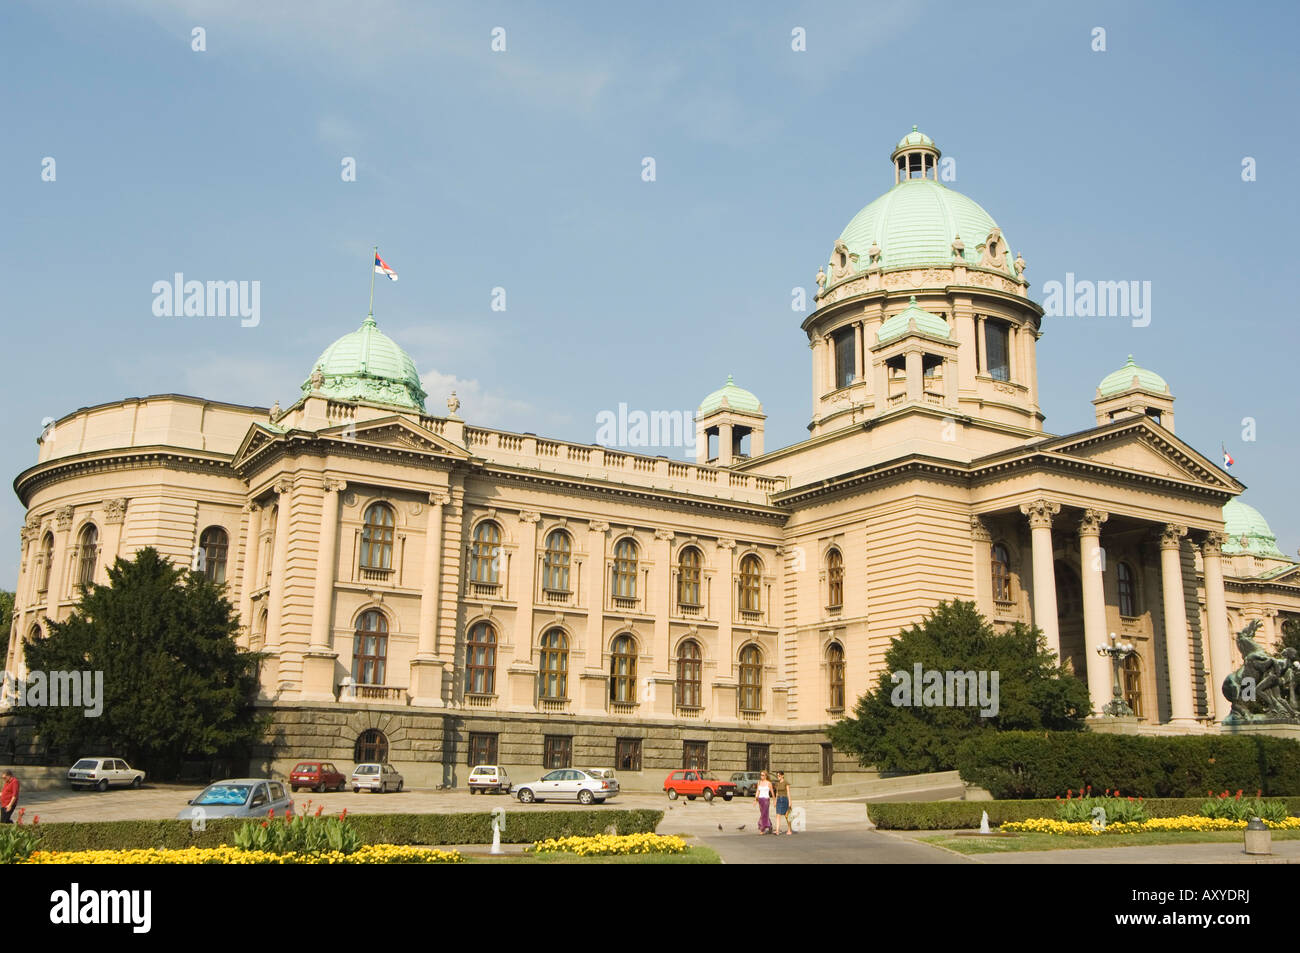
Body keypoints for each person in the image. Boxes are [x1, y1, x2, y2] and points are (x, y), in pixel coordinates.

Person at [774, 770, 794, 835]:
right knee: (778, 815)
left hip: (785, 799)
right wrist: (775, 801)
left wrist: (790, 801)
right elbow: (776, 793)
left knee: (786, 815)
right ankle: (777, 830)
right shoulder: (777, 783)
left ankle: (789, 829)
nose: (778, 777)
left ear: (782, 776)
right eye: (777, 776)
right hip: (779, 800)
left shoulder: (786, 783)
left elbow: (788, 792)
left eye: (779, 775)